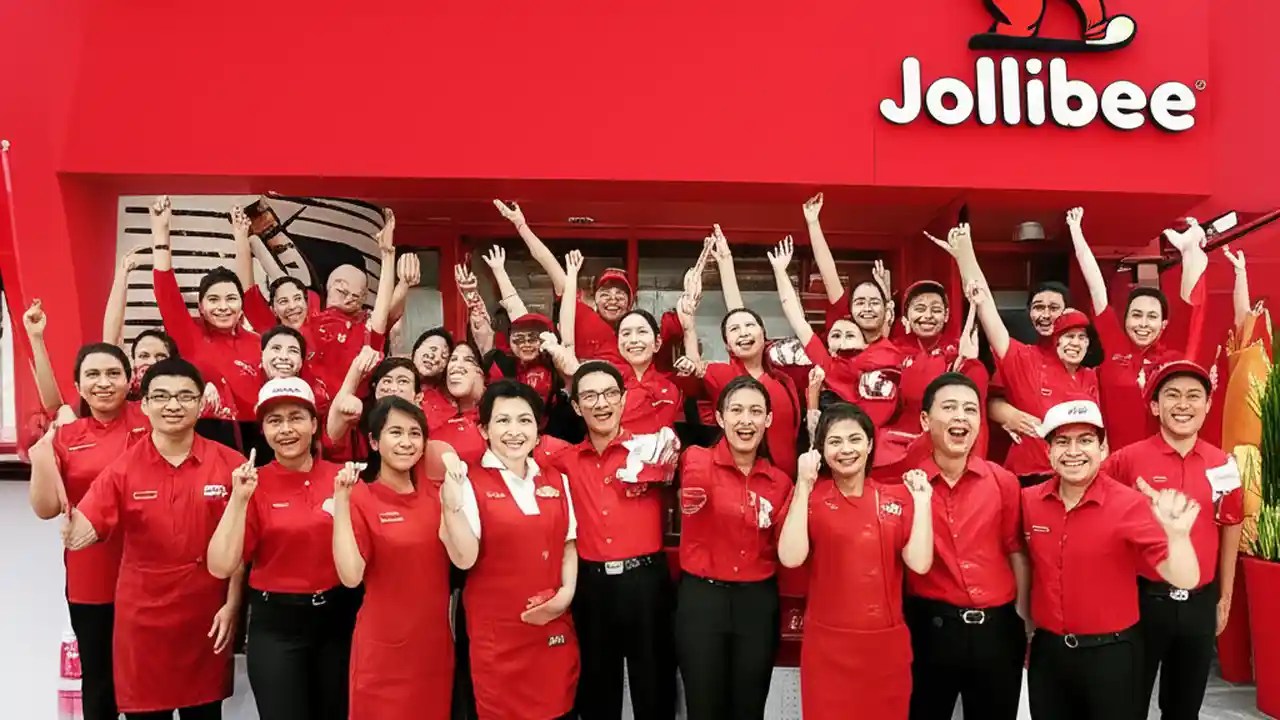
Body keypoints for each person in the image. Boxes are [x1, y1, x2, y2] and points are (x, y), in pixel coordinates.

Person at [62, 358, 247, 719]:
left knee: (205, 714)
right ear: (144, 405)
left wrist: (233, 605)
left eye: (184, 396)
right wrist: (73, 530)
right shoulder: (122, 468)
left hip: (205, 615)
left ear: (201, 404)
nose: (173, 405)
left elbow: (242, 548)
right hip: (142, 619)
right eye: (161, 396)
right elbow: (84, 528)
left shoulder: (231, 463)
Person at [1023, 399, 1203, 720]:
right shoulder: (1028, 502)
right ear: (1048, 451)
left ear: (1103, 449)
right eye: (1062, 441)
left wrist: (1178, 536)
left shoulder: (1129, 505)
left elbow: (1185, 578)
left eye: (1086, 440)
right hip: (1049, 654)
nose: (1074, 451)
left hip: (1113, 655)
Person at [205, 378, 360, 720]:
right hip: (276, 625)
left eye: (296, 417)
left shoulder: (343, 480)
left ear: (315, 423)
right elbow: (221, 565)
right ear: (262, 430)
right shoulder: (252, 483)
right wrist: (239, 500)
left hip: (337, 621)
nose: (286, 429)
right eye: (275, 421)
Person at [1100, 360, 1244, 719]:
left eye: (1194, 396)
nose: (1183, 405)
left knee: (1184, 708)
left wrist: (1224, 596)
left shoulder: (1222, 464)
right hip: (1141, 601)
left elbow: (1231, 526)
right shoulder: (1127, 460)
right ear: (1154, 405)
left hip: (1198, 603)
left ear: (1208, 405)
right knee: (1126, 703)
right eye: (1172, 396)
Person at [777, 402, 934, 720]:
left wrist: (923, 502)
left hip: (885, 651)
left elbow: (919, 563)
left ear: (870, 444)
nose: (846, 449)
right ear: (821, 450)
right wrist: (803, 485)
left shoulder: (896, 498)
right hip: (829, 650)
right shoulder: (811, 498)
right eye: (834, 441)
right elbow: (791, 557)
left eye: (854, 439)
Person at [441, 380, 581, 720]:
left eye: (525, 420)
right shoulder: (468, 479)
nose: (514, 431)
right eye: (503, 421)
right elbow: (464, 557)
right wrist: (451, 506)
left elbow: (568, 545)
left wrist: (564, 597)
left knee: (558, 710)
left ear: (538, 429)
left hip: (552, 629)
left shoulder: (554, 478)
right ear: (484, 429)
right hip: (499, 637)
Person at [25, 338, 149, 720]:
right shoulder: (67, 436)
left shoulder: (152, 423)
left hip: (150, 572)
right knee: (99, 679)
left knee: (149, 681)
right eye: (92, 375)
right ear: (78, 387)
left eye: (113, 373)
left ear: (131, 382)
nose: (103, 382)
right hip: (91, 575)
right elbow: (45, 509)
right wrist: (42, 457)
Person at [896, 373, 1028, 720]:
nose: (961, 417)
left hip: (997, 632)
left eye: (970, 410)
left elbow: (1016, 550)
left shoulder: (1003, 482)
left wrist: (1023, 622)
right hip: (929, 629)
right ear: (925, 420)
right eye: (949, 407)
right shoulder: (908, 487)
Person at [552, 361, 679, 720]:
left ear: (623, 400)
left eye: (610, 394)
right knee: (595, 692)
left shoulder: (652, 451)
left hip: (646, 584)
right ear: (576, 406)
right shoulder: (564, 462)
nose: (601, 403)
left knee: (654, 690)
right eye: (589, 396)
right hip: (591, 588)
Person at [332, 396, 457, 720]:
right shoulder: (361, 496)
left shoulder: (439, 494)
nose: (406, 442)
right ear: (374, 441)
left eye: (415, 434)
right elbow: (350, 576)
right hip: (383, 653)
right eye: (395, 432)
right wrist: (342, 504)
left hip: (433, 650)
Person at [675, 376, 793, 720]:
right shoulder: (695, 460)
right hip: (702, 602)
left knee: (749, 708)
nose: (746, 420)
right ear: (721, 418)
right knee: (703, 708)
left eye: (756, 412)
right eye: (737, 410)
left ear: (768, 420)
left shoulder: (780, 482)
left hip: (756, 604)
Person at [1067, 206, 1209, 451]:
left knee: (1194, 312)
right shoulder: (1114, 344)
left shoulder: (1172, 355)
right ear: (1126, 320)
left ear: (1163, 324)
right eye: (1137, 315)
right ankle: (1190, 247)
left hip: (1163, 459)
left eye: (1152, 317)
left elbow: (1193, 308)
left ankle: (1190, 248)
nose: (1143, 324)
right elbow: (1096, 286)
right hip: (1117, 461)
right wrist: (1076, 232)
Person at [493, 199, 685, 370]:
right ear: (594, 298)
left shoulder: (636, 337)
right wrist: (521, 226)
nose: (613, 300)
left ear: (630, 303)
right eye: (606, 294)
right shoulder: (581, 314)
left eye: (620, 296)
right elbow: (550, 266)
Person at [149, 196, 262, 425]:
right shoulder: (190, 335)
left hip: (259, 438)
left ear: (241, 306)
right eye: (213, 299)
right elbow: (165, 290)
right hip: (209, 435)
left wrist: (242, 238)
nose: (222, 307)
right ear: (201, 307)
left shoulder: (260, 342)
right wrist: (161, 232)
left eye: (231, 299)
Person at [988, 281, 1072, 443]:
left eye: (1054, 308)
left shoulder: (1084, 359)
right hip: (1028, 457)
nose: (1046, 315)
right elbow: (991, 401)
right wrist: (1010, 415)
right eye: (1039, 307)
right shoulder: (1020, 354)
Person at [325, 352, 416, 462]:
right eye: (387, 381)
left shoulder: (422, 428)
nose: (393, 387)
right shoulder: (360, 425)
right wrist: (355, 373)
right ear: (375, 388)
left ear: (418, 396)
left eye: (403, 381)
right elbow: (332, 439)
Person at [428, 341, 488, 464]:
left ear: (481, 373)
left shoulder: (495, 413)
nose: (457, 365)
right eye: (453, 359)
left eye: (468, 360)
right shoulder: (430, 409)